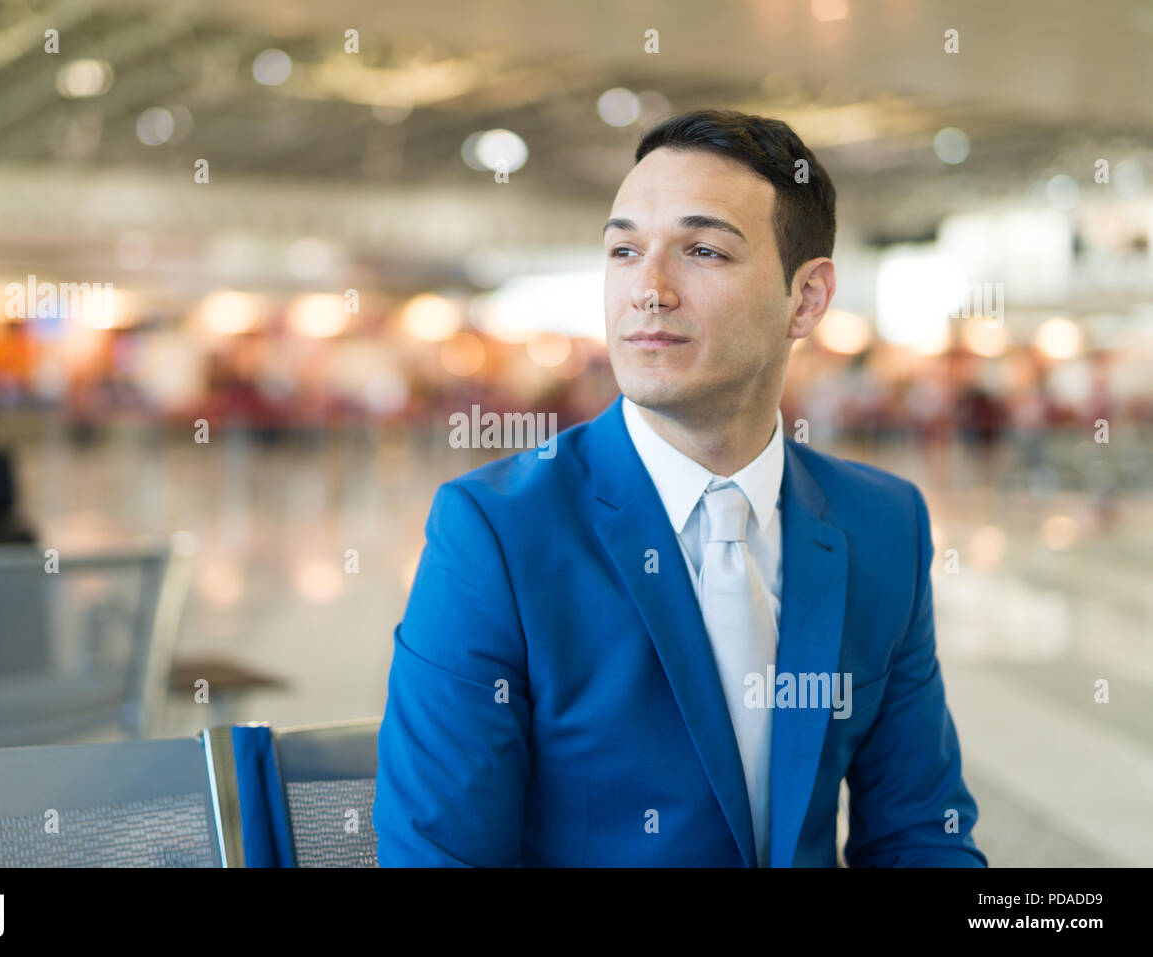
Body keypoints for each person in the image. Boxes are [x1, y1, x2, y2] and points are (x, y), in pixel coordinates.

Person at [374, 109, 985, 867]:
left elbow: (919, 831)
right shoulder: (496, 533)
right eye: (624, 249)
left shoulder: (882, 524)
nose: (648, 289)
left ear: (808, 298)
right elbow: (441, 854)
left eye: (702, 250)